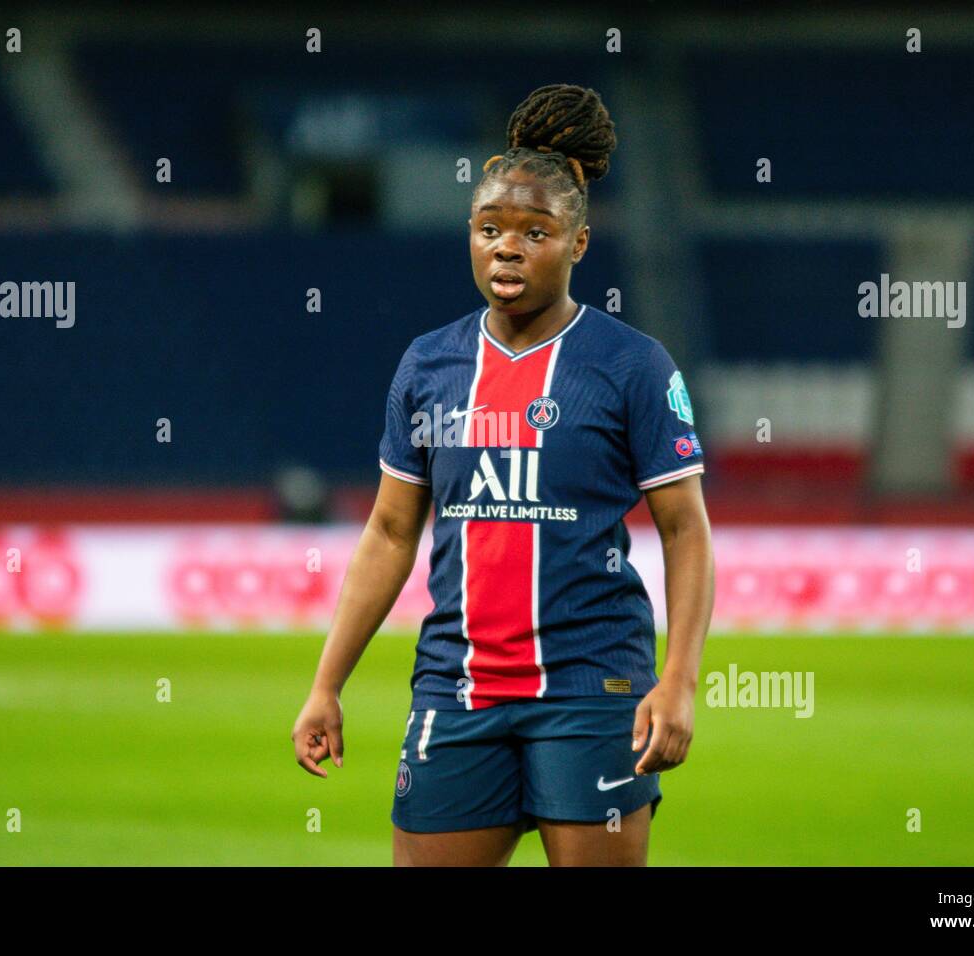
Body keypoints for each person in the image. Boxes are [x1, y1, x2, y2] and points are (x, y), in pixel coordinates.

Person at [292, 83, 714, 866]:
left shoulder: (632, 366)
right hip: (457, 688)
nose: (506, 248)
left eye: (534, 231)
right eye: (489, 229)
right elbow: (389, 532)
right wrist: (327, 683)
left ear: (578, 244)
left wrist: (680, 680)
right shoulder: (429, 365)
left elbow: (685, 529)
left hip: (594, 693)